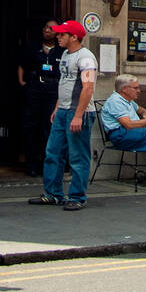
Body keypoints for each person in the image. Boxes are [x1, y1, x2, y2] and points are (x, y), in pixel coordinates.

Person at [29, 20, 96, 210]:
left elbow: (88, 87)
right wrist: (58, 107)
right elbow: (64, 84)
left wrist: (78, 115)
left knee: (78, 156)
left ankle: (77, 197)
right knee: (53, 152)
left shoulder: (86, 58)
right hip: (64, 111)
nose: (57, 37)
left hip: (77, 112)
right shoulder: (66, 54)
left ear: (74, 37)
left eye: (62, 34)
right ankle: (53, 194)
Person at [18, 18, 62, 176]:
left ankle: (47, 164)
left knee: (48, 127)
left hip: (52, 91)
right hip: (34, 88)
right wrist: (23, 82)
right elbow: (22, 65)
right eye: (45, 27)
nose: (47, 30)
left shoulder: (61, 50)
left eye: (51, 28)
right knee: (31, 126)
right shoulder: (32, 47)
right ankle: (31, 164)